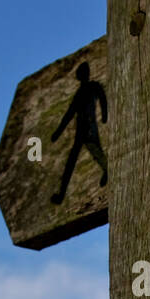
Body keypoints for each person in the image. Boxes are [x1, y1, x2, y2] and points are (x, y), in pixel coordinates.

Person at [50, 61, 108, 205]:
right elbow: (69, 114)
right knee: (74, 159)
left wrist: (105, 115)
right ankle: (62, 194)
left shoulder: (93, 86)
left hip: (89, 127)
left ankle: (108, 171)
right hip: (80, 130)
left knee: (95, 152)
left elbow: (102, 97)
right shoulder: (80, 93)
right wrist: (58, 132)